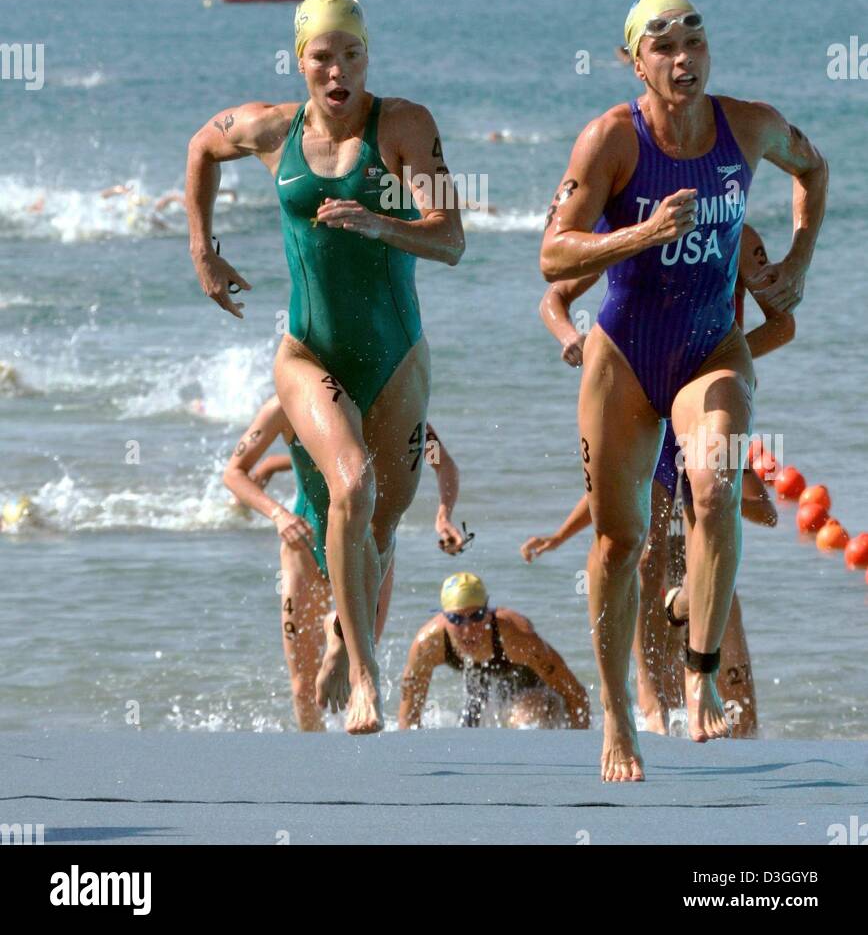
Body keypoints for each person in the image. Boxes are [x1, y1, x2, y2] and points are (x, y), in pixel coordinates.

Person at [540, 0, 827, 780]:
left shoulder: (751, 125)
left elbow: (816, 166)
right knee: (620, 543)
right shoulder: (610, 140)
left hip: (711, 351)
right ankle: (618, 720)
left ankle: (698, 675)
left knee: (715, 485)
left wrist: (798, 262)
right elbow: (553, 258)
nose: (683, 59)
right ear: (636, 61)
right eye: (662, 47)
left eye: (694, 41)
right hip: (625, 356)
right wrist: (641, 232)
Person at [185, 0, 464, 734]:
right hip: (306, 351)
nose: (337, 70)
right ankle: (368, 678)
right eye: (322, 57)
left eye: (352, 55)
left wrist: (379, 224)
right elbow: (201, 146)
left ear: (367, 56)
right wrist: (203, 250)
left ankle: (348, 636)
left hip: (398, 359)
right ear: (299, 60)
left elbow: (450, 240)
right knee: (351, 483)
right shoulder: (270, 130)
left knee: (378, 528)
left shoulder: (405, 126)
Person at [530, 219, 789, 736]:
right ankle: (646, 700)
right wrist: (571, 339)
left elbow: (782, 323)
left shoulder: (736, 229)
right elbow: (553, 298)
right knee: (639, 553)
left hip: (703, 398)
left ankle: (690, 621)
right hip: (637, 398)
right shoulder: (627, 226)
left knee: (738, 520)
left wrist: (723, 356)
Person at [223, 392, 465, 730]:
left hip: (372, 549)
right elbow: (234, 473)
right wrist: (278, 515)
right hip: (304, 544)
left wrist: (443, 516)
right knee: (303, 687)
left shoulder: (390, 395)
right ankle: (315, 764)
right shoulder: (286, 404)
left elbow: (443, 464)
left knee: (360, 667)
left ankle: (357, 767)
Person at [398, 572, 590, 730]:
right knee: (467, 733)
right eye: (456, 619)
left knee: (524, 724)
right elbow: (408, 718)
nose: (468, 630)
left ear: (488, 611)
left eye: (477, 616)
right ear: (443, 616)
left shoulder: (516, 636)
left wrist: (576, 744)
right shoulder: (427, 645)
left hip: (530, 686)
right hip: (480, 688)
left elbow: (575, 694)